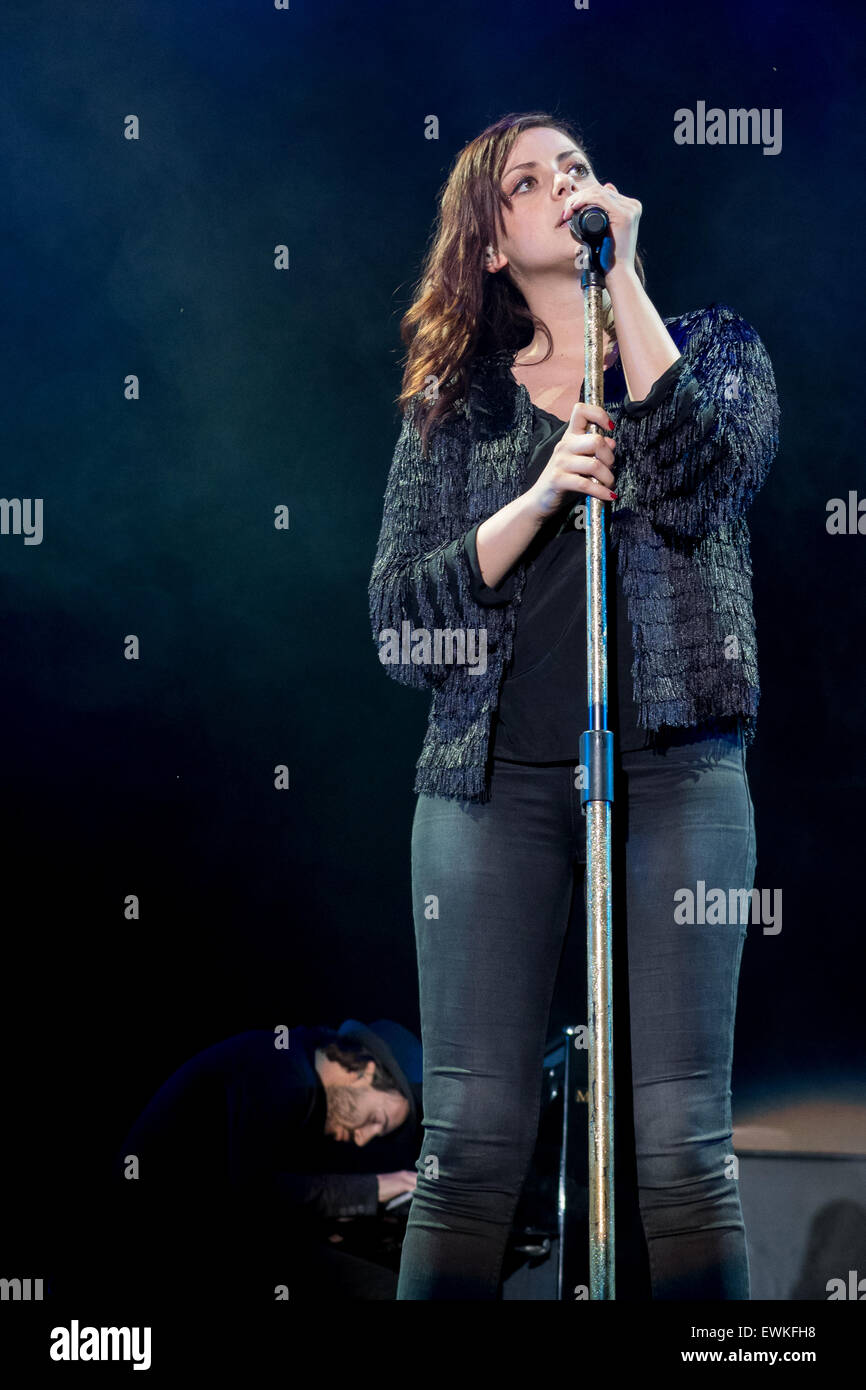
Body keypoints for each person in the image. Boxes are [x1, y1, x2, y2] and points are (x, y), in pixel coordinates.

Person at [368, 111, 779, 1300]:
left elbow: (705, 476)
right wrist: (540, 494)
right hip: (488, 786)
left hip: (677, 771)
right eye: (527, 181)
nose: (563, 186)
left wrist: (624, 281)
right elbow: (400, 622)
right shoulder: (455, 408)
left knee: (684, 1151)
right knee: (467, 1151)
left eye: (578, 169)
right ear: (491, 243)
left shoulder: (707, 348)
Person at [110, 1020, 422, 1300]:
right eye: (376, 1120)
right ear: (364, 1071)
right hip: (149, 1237)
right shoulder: (281, 1071)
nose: (362, 1138)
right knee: (388, 1291)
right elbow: (258, 1193)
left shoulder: (297, 1074)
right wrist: (376, 1187)